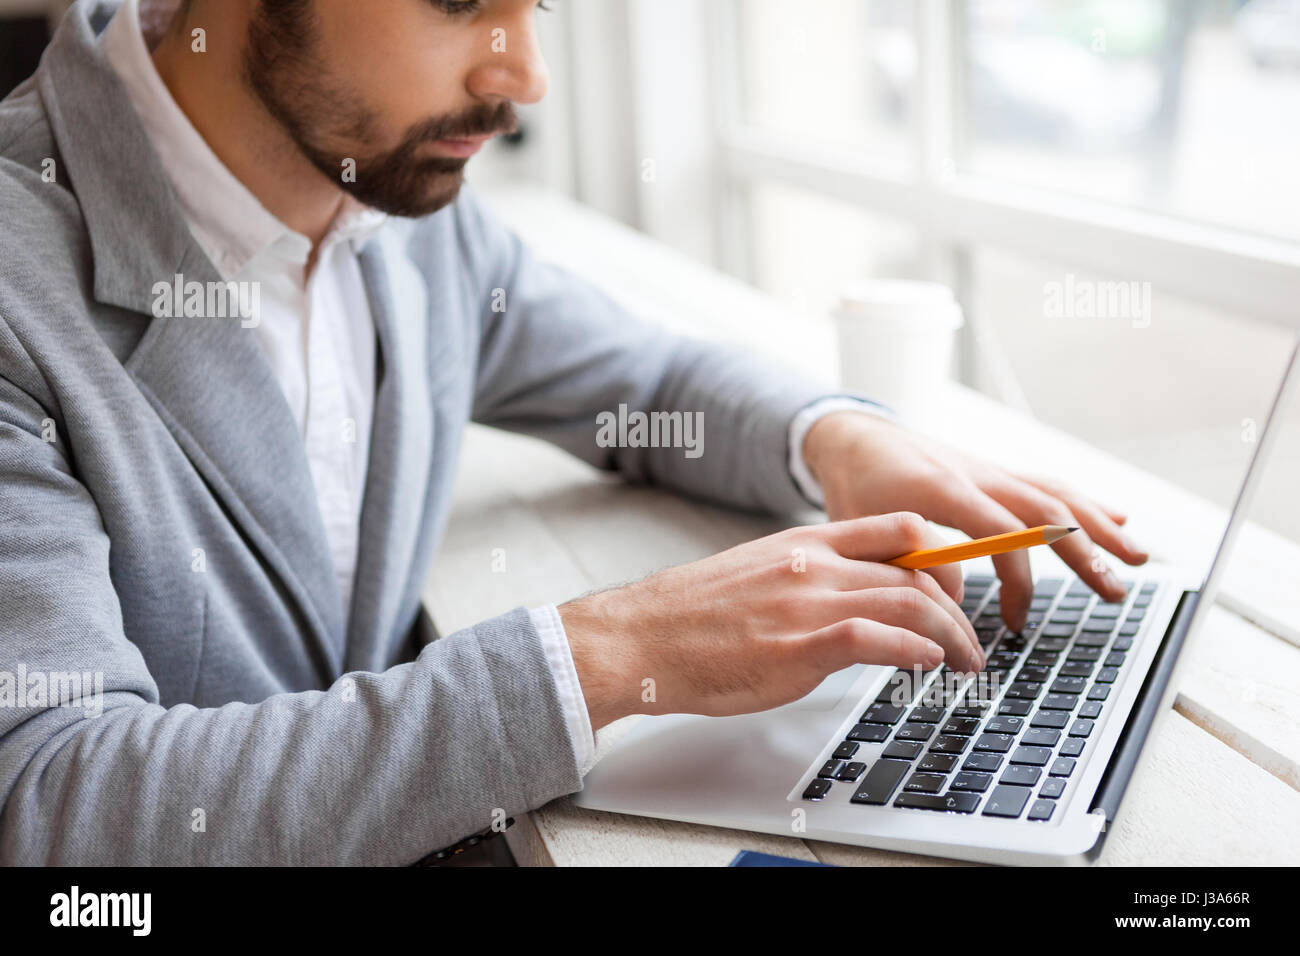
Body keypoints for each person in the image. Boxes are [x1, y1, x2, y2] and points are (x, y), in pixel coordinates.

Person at [0, 0, 1147, 864]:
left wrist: (840, 437)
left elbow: (645, 373)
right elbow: (55, 801)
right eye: (460, 0)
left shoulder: (396, 203)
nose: (528, 76)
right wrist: (614, 654)